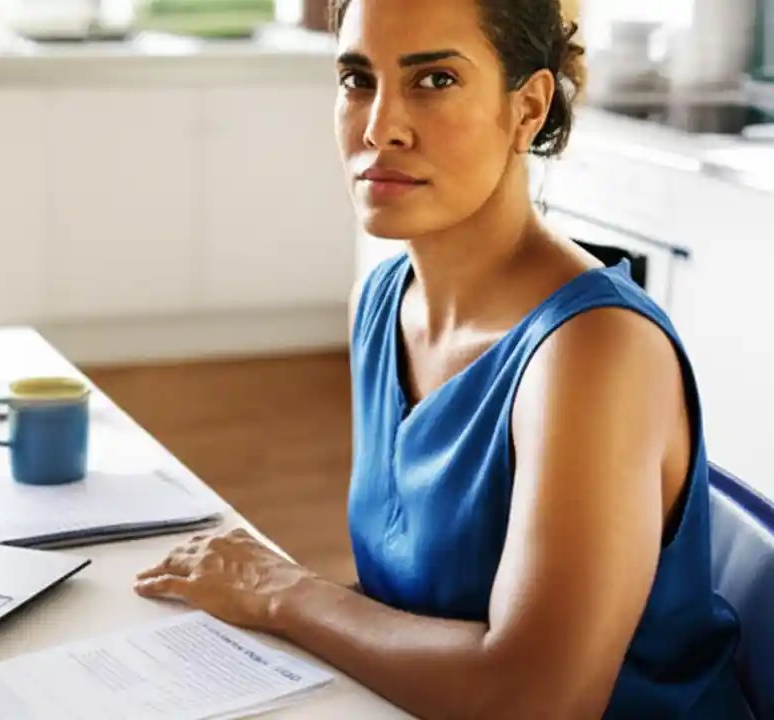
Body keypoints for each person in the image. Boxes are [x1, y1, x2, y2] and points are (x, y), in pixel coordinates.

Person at [132, 0, 750, 717]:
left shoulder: (594, 352)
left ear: (527, 108)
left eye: (435, 81)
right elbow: (411, 602)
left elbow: (535, 700)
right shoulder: (385, 300)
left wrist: (283, 591)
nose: (378, 126)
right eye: (358, 78)